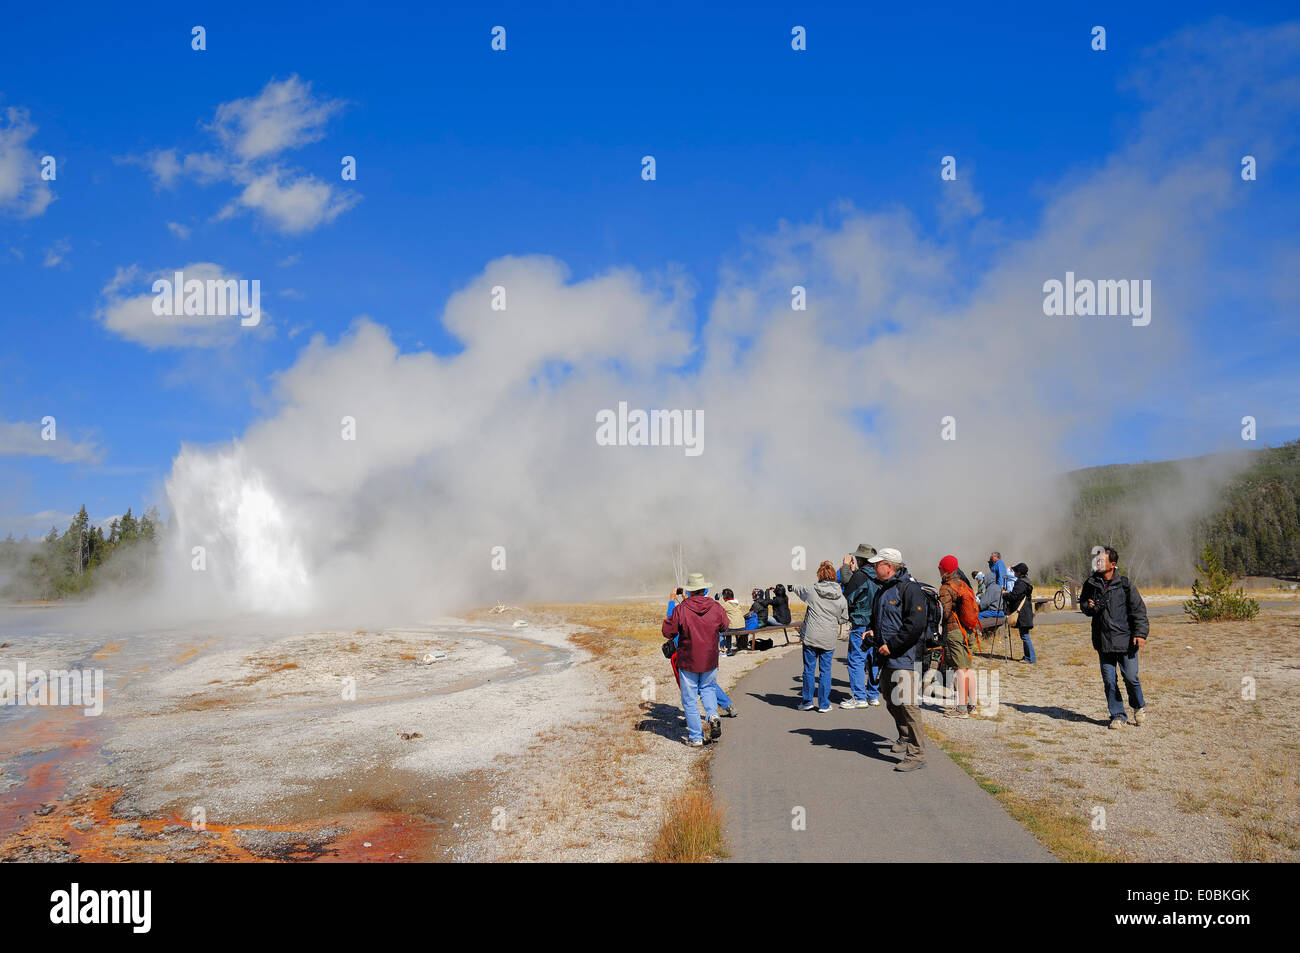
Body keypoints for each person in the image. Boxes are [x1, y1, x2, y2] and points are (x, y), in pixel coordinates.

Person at [867, 548, 929, 771]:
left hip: (905, 657)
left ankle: (917, 754)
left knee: (909, 704)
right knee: (889, 697)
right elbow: (877, 619)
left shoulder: (910, 589)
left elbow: (915, 625)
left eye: (877, 564)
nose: (874, 567)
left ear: (889, 566)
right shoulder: (882, 590)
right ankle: (904, 736)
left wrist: (891, 645)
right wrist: (871, 632)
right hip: (887, 658)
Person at [1079, 547, 1149, 730]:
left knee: (1131, 678)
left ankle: (1138, 706)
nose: (1097, 563)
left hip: (1126, 641)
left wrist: (1140, 634)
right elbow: (1084, 604)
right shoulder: (1091, 583)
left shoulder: (1125, 585)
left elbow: (1139, 611)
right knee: (1109, 681)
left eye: (1101, 560)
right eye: (1097, 560)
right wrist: (1089, 606)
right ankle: (1117, 715)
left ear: (1113, 565)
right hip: (1103, 640)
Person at [664, 574, 734, 745]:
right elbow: (725, 625)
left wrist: (673, 602)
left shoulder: (682, 609)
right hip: (710, 658)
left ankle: (696, 737)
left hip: (688, 659)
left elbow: (668, 632)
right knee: (708, 689)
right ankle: (713, 716)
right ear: (704, 589)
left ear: (689, 590)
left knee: (689, 699)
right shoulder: (716, 606)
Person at [790, 561, 849, 713]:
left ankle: (807, 701)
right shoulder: (841, 597)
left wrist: (791, 587)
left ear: (819, 575)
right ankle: (824, 704)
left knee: (809, 670)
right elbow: (844, 618)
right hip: (829, 638)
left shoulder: (812, 591)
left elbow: (800, 589)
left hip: (811, 636)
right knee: (825, 671)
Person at [838, 544, 881, 708]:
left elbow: (847, 597)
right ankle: (873, 695)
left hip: (860, 623)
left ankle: (859, 697)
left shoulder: (859, 577)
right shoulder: (878, 576)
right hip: (875, 625)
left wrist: (846, 569)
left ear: (860, 560)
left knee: (856, 659)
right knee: (873, 660)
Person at [938, 555, 979, 717]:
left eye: (940, 568)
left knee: (959, 669)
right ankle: (972, 704)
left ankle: (961, 708)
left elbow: (945, 613)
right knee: (968, 668)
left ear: (944, 569)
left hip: (954, 631)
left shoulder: (946, 588)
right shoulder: (963, 584)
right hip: (967, 630)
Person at [1003, 563, 1037, 663]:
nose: (1014, 572)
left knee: (1025, 636)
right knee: (1024, 635)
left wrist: (1005, 595)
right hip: (1025, 611)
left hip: (1023, 612)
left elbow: (1014, 596)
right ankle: (1028, 657)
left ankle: (1031, 658)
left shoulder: (1021, 583)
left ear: (1019, 573)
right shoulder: (1026, 582)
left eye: (1015, 571)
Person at [720, 588, 748, 653]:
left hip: (732, 628)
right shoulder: (738, 604)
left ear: (724, 597)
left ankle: (725, 649)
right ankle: (739, 646)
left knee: (721, 632)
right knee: (731, 626)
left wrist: (717, 600)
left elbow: (718, 611)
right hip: (742, 626)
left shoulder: (725, 605)